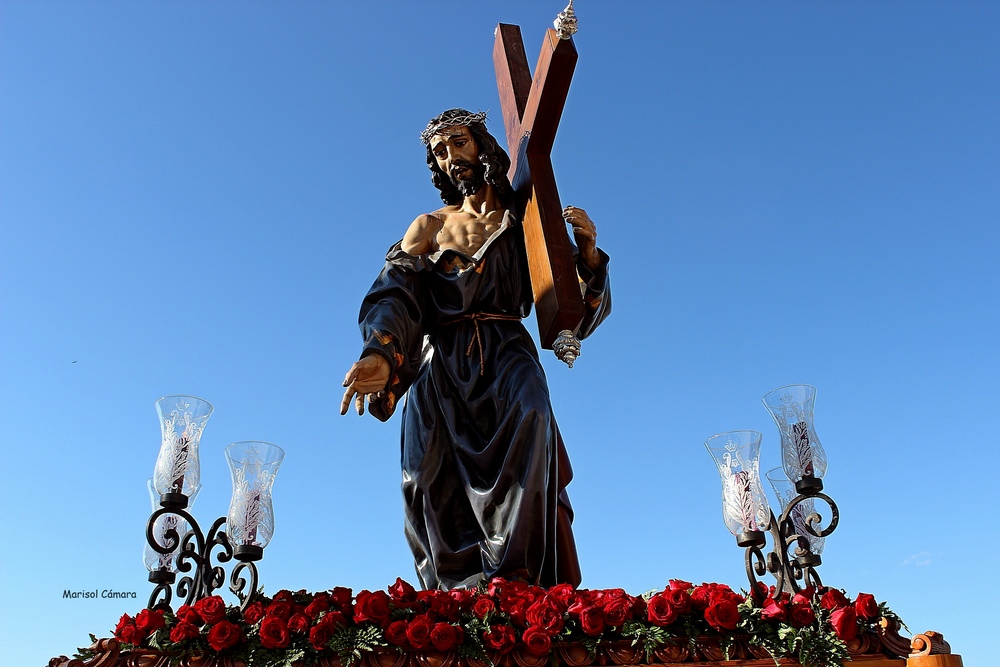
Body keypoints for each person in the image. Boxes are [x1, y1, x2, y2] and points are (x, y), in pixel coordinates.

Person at [340, 109, 611, 590]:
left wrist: (588, 259)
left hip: (508, 352)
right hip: (441, 362)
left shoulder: (525, 221)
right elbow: (393, 294)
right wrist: (379, 354)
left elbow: (569, 306)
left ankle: (519, 587)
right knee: (426, 474)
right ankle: (457, 597)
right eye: (440, 153)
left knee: (531, 419)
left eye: (458, 144)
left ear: (482, 146)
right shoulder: (427, 227)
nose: (451, 159)